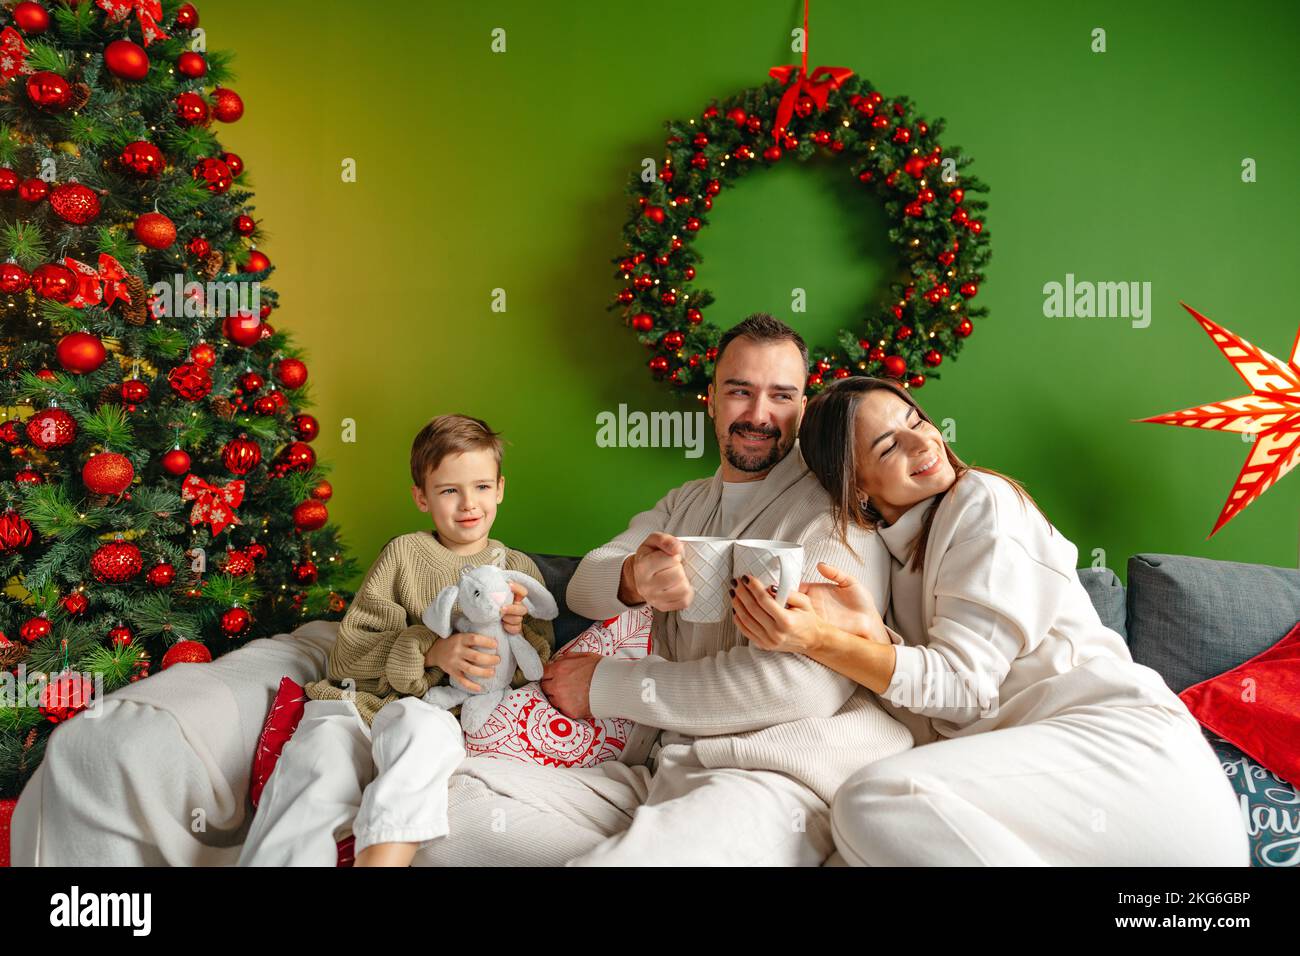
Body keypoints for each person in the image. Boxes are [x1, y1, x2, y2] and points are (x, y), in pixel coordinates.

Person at [413, 314, 913, 867]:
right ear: (711, 400)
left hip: (773, 778)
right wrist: (631, 580)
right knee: (440, 811)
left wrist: (608, 685)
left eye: (780, 395)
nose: (757, 414)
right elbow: (583, 587)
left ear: (802, 405)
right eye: (739, 391)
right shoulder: (688, 502)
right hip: (669, 771)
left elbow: (799, 689)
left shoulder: (833, 513)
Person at [729, 375, 1251, 865]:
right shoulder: (899, 552)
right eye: (888, 446)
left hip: (1132, 764)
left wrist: (821, 641)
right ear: (857, 487)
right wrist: (872, 634)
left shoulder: (981, 499)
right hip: (1052, 792)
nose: (923, 444)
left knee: (875, 798)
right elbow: (932, 716)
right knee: (854, 848)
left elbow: (964, 688)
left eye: (915, 422)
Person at [238, 414, 554, 867]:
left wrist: (516, 631)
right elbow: (346, 657)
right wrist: (429, 649)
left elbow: (532, 671)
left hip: (434, 711)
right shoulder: (404, 554)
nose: (469, 503)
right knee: (316, 774)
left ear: (500, 488)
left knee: (423, 735)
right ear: (421, 497)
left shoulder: (518, 570)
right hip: (356, 706)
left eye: (482, 487)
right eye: (449, 490)